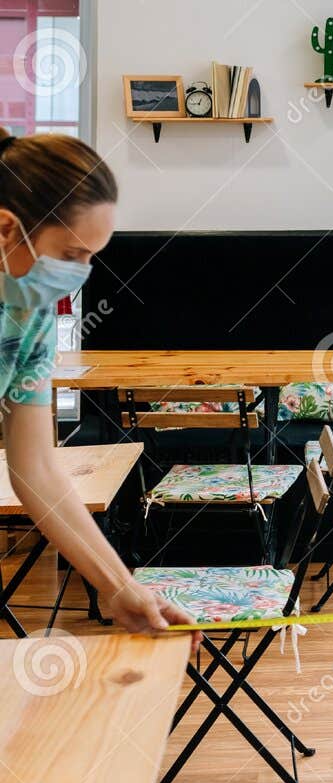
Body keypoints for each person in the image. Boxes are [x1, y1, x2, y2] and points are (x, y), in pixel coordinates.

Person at [0, 128, 196, 645]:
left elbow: (35, 465)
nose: (80, 273)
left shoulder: (31, 319)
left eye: (91, 257)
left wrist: (119, 586)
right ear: (6, 229)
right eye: (71, 253)